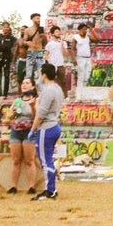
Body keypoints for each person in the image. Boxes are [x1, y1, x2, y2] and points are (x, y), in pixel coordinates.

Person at [29, 63, 64, 200]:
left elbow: (41, 113)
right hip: (54, 125)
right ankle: (51, 188)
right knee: (48, 159)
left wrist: (33, 129)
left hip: (46, 127)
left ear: (44, 75)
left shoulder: (48, 90)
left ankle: (50, 190)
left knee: (45, 161)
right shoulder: (57, 89)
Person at [8, 79, 38, 195]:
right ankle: (13, 186)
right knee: (16, 160)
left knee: (29, 160)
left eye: (27, 83)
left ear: (32, 86)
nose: (24, 85)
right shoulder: (17, 101)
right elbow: (10, 116)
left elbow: (36, 117)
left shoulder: (35, 100)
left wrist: (32, 106)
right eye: (23, 83)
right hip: (16, 130)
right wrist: (13, 113)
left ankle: (32, 186)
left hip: (29, 131)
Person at [71, 23, 98, 97]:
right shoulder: (75, 37)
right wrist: (74, 59)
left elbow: (97, 39)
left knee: (87, 76)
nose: (85, 31)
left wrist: (92, 29)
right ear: (79, 30)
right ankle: (79, 94)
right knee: (81, 77)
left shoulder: (88, 37)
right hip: (80, 58)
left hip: (88, 58)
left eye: (86, 29)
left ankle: (83, 92)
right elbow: (72, 49)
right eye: (84, 29)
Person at [0, 22, 17, 97]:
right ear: (2, 28)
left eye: (7, 27)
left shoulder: (12, 38)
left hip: (7, 59)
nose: (5, 28)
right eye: (4, 27)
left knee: (6, 76)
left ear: (9, 28)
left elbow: (8, 47)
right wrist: (1, 47)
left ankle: (5, 94)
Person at [21, 14, 47, 84]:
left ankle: (41, 92)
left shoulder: (42, 29)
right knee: (28, 74)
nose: (39, 20)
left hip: (40, 52)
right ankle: (27, 92)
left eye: (39, 18)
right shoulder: (27, 30)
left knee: (41, 74)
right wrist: (27, 43)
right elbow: (23, 42)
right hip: (31, 52)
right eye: (37, 18)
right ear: (32, 19)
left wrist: (43, 36)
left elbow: (45, 43)